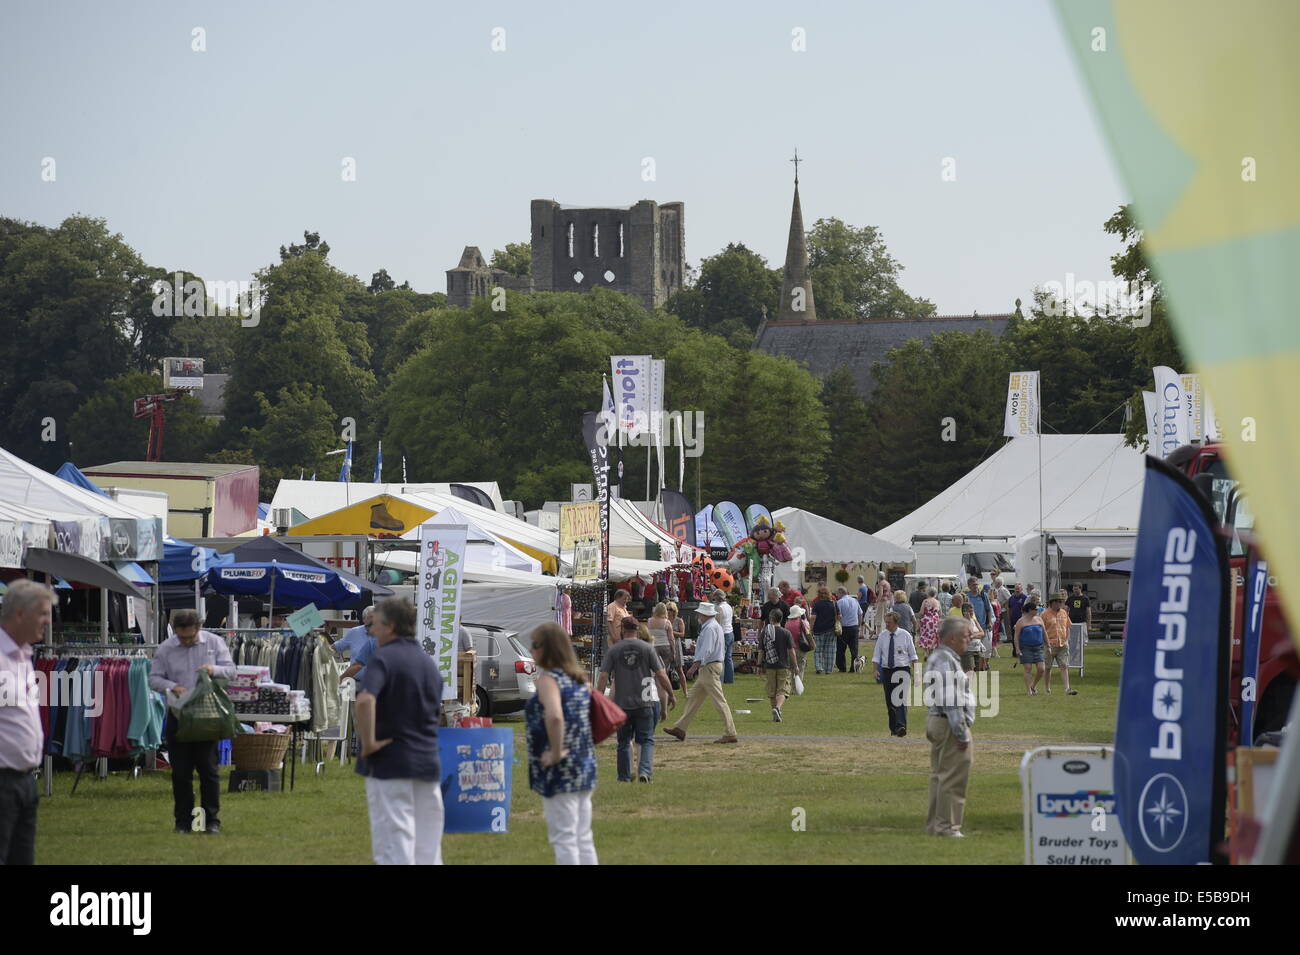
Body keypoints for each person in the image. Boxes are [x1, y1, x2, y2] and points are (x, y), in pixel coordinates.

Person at [354, 598, 443, 865]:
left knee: (394, 840)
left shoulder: (383, 656)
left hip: (390, 762)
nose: (370, 630)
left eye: (375, 624)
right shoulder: (428, 663)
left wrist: (368, 744)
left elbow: (365, 700)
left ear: (390, 626)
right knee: (428, 845)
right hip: (427, 761)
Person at [150, 608, 236, 835]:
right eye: (182, 636)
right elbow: (153, 678)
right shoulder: (166, 648)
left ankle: (211, 821)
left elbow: (231, 671)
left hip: (206, 716)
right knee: (180, 773)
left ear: (198, 628)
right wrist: (171, 686)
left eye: (190, 636)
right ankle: (183, 822)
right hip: (179, 715)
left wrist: (212, 669)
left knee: (209, 771)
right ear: (176, 631)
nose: (186, 641)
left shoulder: (214, 643)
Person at [526, 623, 598, 864]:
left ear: (548, 649)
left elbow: (555, 716)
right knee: (583, 837)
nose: (532, 651)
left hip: (561, 767)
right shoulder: (580, 680)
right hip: (584, 763)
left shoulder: (549, 680)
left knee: (564, 838)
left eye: (535, 646)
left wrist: (555, 753)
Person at [0, 580, 52, 865]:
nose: (47, 621)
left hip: (24, 780)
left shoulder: (23, 656)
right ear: (20, 614)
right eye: (42, 613)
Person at [597, 618, 675, 782]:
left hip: (622, 704)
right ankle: (644, 772)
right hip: (645, 701)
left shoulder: (614, 650)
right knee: (646, 740)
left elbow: (603, 677)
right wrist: (671, 695)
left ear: (622, 630)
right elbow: (661, 674)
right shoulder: (647, 648)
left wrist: (599, 699)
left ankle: (624, 776)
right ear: (638, 630)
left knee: (624, 742)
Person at [925, 616, 975, 837]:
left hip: (940, 722)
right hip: (949, 724)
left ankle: (936, 825)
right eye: (966, 635)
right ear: (953, 638)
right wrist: (961, 732)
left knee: (940, 775)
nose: (970, 639)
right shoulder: (945, 659)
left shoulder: (941, 657)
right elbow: (951, 700)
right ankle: (947, 827)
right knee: (953, 777)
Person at [663, 604, 738, 744]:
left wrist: (693, 667)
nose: (698, 617)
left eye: (700, 614)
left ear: (705, 615)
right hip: (710, 667)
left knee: (718, 701)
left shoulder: (709, 628)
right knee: (693, 698)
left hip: (709, 668)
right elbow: (709, 648)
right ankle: (680, 728)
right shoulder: (713, 626)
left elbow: (707, 650)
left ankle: (730, 732)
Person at [873, 611, 918, 737]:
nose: (887, 625)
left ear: (896, 622)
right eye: (886, 622)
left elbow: (913, 656)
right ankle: (893, 729)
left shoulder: (905, 635)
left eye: (889, 622)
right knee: (890, 702)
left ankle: (901, 726)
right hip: (887, 671)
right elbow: (877, 655)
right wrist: (875, 670)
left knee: (901, 700)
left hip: (902, 670)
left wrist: (917, 674)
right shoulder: (882, 636)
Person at [757, 609, 796, 722]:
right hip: (783, 665)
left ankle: (775, 713)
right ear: (781, 619)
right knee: (783, 690)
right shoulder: (786, 632)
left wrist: (759, 665)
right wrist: (795, 665)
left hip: (769, 666)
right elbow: (791, 651)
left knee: (772, 691)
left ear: (770, 618)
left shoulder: (765, 632)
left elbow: (761, 651)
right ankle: (778, 709)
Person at [1042, 593, 1077, 695]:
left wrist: (1066, 640)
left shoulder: (1064, 613)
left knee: (1064, 666)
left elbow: (1068, 626)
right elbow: (1041, 630)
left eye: (1061, 601)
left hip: (1063, 644)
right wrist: (1046, 644)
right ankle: (1047, 689)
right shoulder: (1044, 614)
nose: (1060, 603)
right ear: (1052, 602)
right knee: (1047, 667)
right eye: (1058, 601)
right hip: (1049, 644)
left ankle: (1067, 689)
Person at [1014, 599, 1047, 696]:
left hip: (1039, 647)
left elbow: (1044, 633)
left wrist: (1048, 645)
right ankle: (1029, 690)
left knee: (1041, 669)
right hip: (1026, 647)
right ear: (1029, 610)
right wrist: (1017, 648)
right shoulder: (1021, 621)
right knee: (1028, 668)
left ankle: (1033, 685)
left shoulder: (1039, 619)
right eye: (1035, 609)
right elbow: (1016, 637)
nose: (1037, 611)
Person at [809, 585, 838, 675]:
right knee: (830, 650)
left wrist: (811, 628)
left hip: (819, 630)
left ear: (819, 595)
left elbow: (813, 617)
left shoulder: (817, 604)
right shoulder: (834, 604)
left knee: (818, 650)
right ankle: (829, 670)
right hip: (831, 630)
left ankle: (819, 667)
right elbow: (839, 616)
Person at [834, 586, 862, 673]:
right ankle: (854, 668)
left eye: (837, 593)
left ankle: (842, 667)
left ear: (841, 593)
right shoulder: (855, 601)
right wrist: (859, 625)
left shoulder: (839, 602)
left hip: (844, 628)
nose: (836, 595)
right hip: (854, 627)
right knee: (854, 649)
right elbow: (860, 613)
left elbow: (838, 616)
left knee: (841, 649)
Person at [665, 602, 690, 693]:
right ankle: (667, 692)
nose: (668, 611)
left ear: (674, 611)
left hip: (676, 645)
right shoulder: (664, 620)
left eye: (670, 609)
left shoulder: (679, 620)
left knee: (679, 669)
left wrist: (671, 632)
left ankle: (685, 691)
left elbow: (682, 634)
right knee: (666, 670)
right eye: (667, 609)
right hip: (666, 645)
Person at [713, 589, 736, 684]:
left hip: (724, 633)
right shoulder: (729, 606)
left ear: (717, 598)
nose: (713, 601)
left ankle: (721, 679)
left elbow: (718, 623)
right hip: (730, 632)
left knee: (721, 657)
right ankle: (729, 679)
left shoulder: (719, 608)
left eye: (714, 599)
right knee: (728, 657)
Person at [959, 602, 985, 676]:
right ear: (964, 612)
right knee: (969, 671)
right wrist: (967, 619)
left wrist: (973, 636)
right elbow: (967, 633)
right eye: (970, 611)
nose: (972, 612)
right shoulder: (962, 622)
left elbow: (982, 633)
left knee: (977, 670)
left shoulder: (974, 620)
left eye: (972, 611)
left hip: (977, 649)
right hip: (968, 651)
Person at [916, 587, 942, 659]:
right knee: (933, 636)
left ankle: (926, 653)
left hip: (926, 620)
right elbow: (940, 613)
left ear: (928, 593)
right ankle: (931, 652)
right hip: (935, 620)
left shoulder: (925, 601)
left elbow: (921, 612)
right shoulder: (937, 602)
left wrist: (918, 617)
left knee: (925, 635)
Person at [786, 604, 811, 675]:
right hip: (800, 648)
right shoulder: (803, 623)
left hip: (790, 649)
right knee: (800, 669)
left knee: (790, 670)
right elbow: (808, 634)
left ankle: (790, 685)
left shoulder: (787, 624)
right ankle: (797, 685)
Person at [1006, 583, 1026, 660]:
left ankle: (1023, 651)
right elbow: (1009, 608)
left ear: (1021, 589)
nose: (1017, 589)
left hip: (1022, 621)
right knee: (1014, 636)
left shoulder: (1024, 598)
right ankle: (1015, 652)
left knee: (1022, 636)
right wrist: (1008, 618)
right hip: (1013, 620)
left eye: (1019, 588)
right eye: (1016, 588)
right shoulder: (1011, 598)